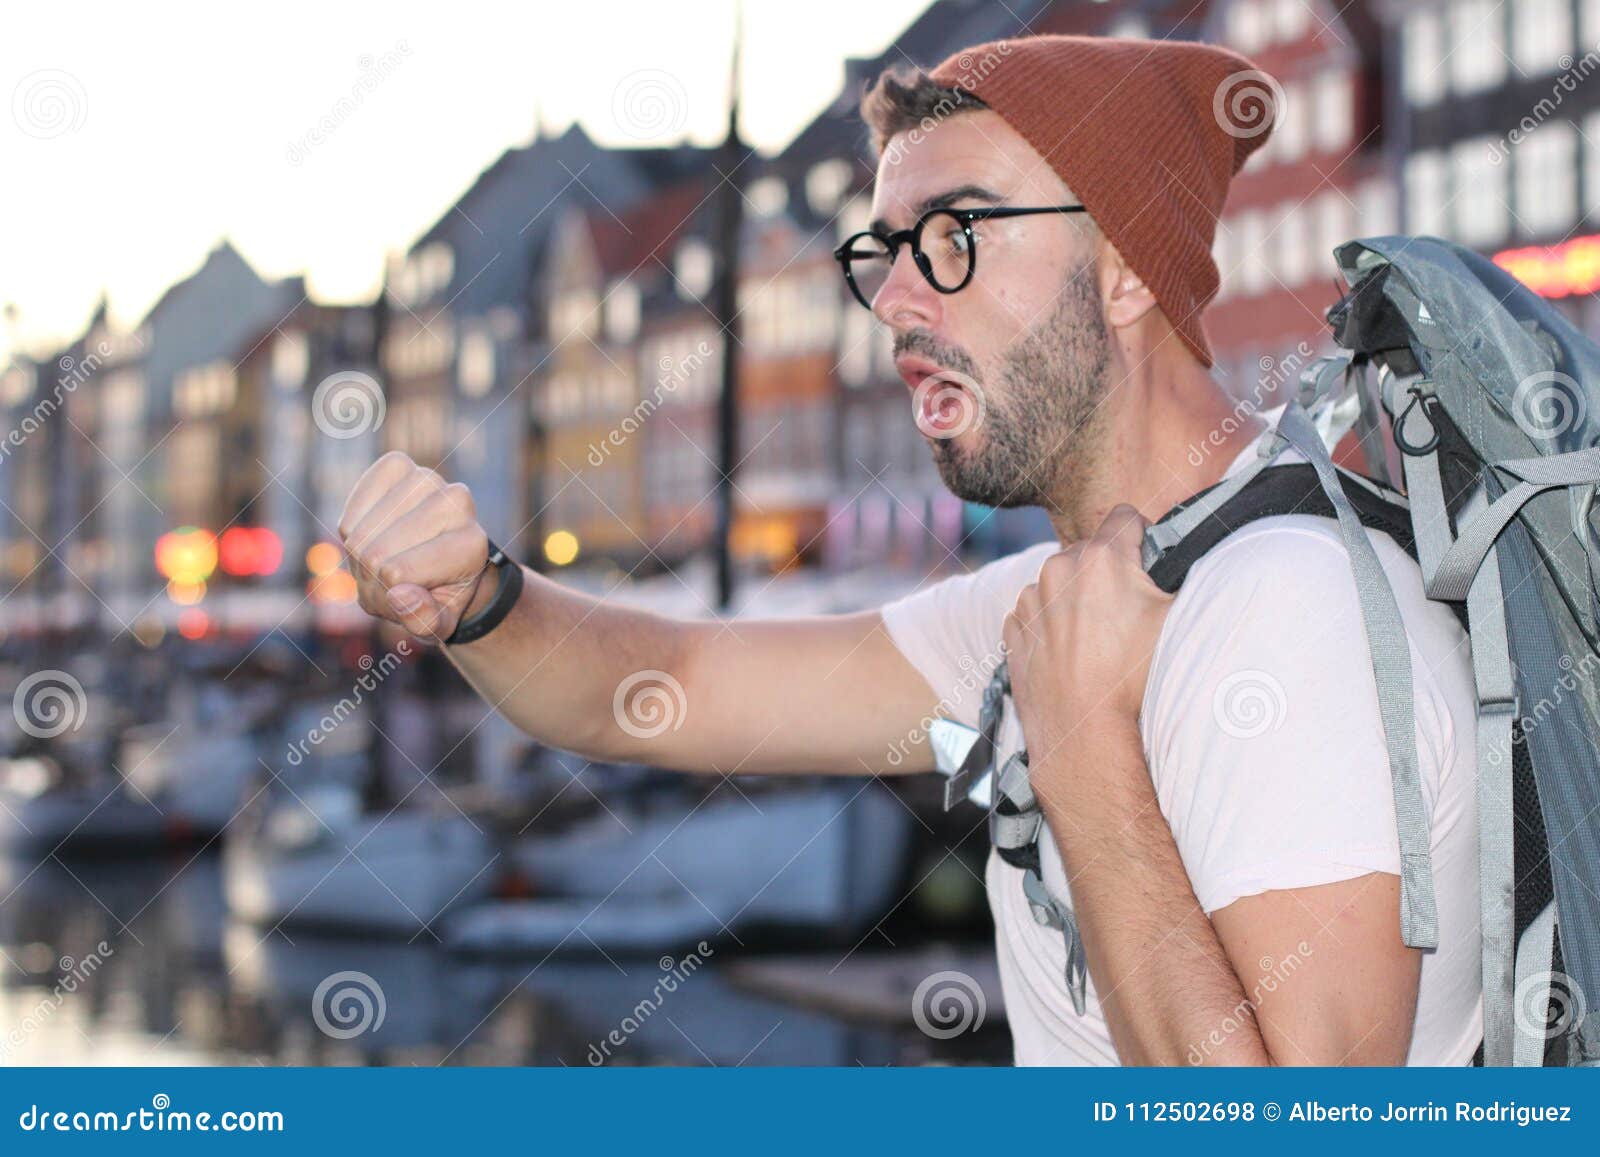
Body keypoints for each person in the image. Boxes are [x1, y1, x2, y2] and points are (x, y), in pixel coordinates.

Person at [339, 34, 1482, 1066]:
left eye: (953, 237)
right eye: (884, 251)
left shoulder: (1283, 603)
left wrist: (1083, 747)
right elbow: (662, 691)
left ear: (1127, 264)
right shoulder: (1061, 605)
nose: (890, 301)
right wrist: (482, 595)